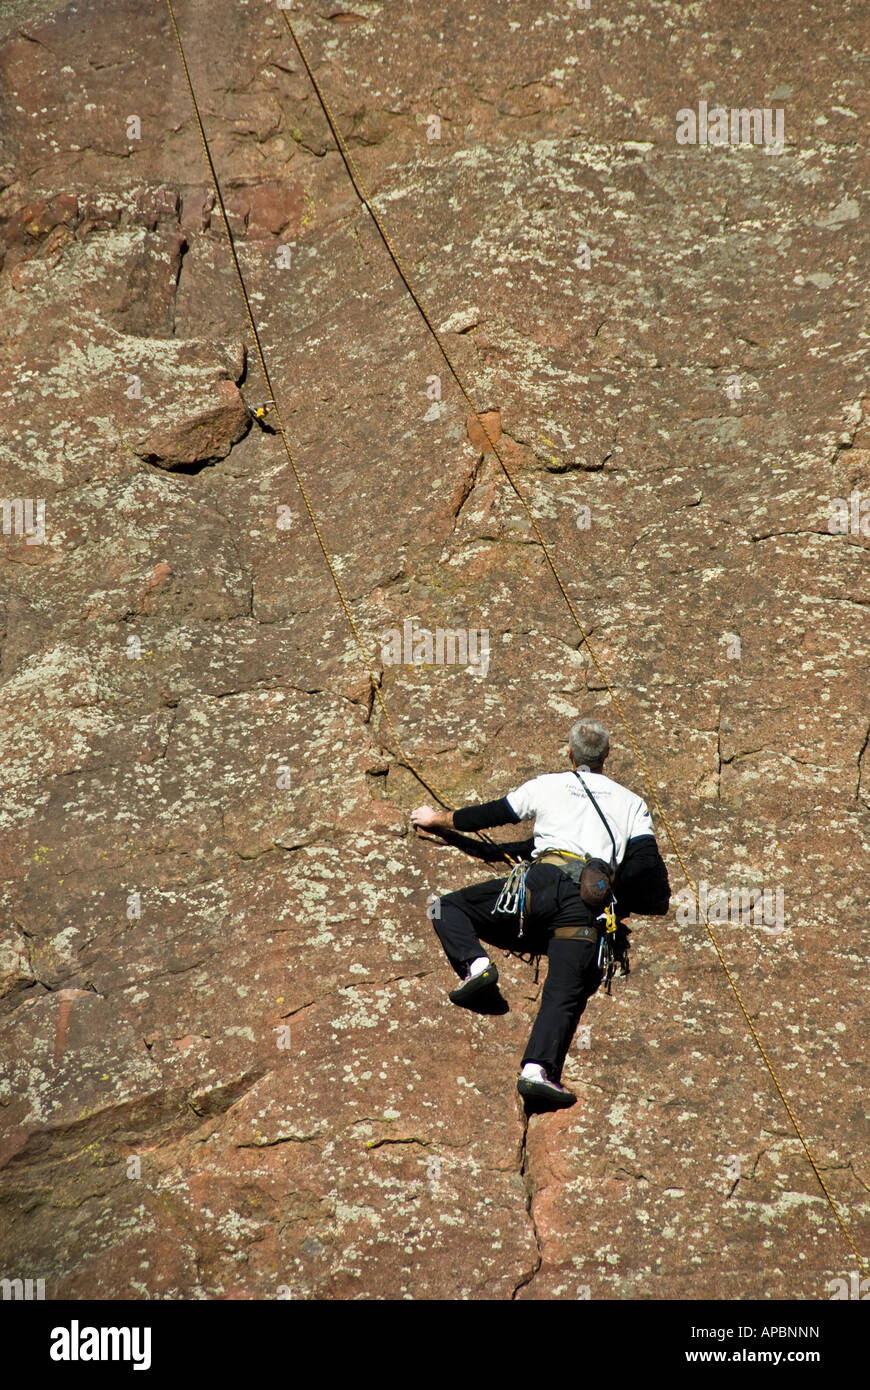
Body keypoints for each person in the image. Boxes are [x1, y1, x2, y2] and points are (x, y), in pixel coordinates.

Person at [411, 717, 670, 1108]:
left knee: (446, 907)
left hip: (538, 887)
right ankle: (536, 1070)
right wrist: (604, 882)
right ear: (607, 756)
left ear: (570, 753)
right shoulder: (631, 802)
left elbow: (493, 814)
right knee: (563, 993)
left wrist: (437, 819)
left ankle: (477, 966)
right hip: (586, 906)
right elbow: (647, 865)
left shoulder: (547, 784)